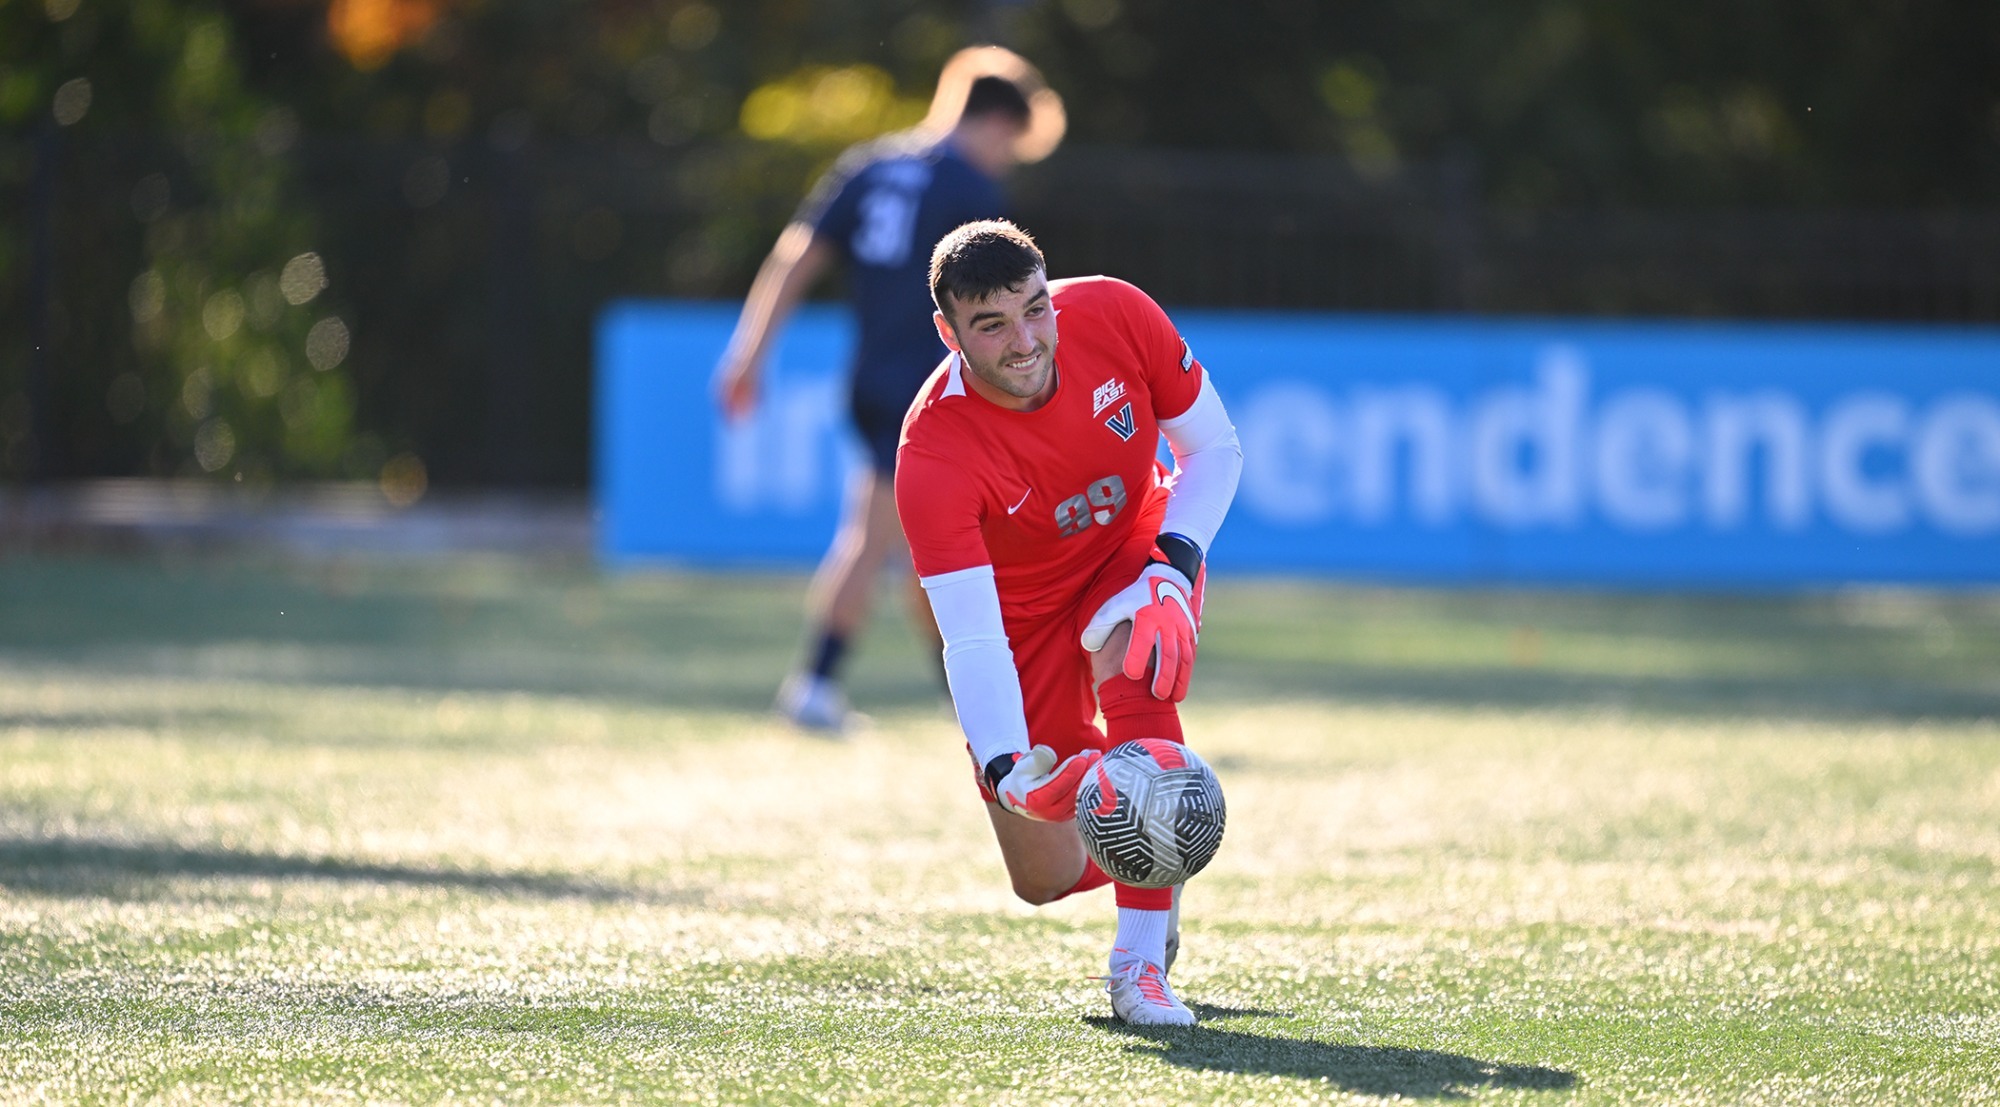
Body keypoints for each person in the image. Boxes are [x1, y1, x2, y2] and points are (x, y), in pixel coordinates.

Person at [894, 220, 1243, 1026]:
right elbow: (970, 634)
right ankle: (1149, 841)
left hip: (1134, 549)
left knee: (1136, 659)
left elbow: (1214, 449)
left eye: (1034, 309)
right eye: (991, 324)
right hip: (1021, 618)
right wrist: (1004, 767)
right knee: (1042, 875)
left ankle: (1138, 966)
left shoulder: (1117, 313)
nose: (1024, 341)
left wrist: (1171, 568)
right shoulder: (934, 452)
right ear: (949, 333)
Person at [713, 48, 1066, 734]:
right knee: (885, 539)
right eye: (1010, 146)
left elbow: (795, 257)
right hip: (928, 391)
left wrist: (748, 353)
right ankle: (816, 684)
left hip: (869, 377)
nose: (1005, 161)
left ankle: (967, 702)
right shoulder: (968, 188)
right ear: (999, 123)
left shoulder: (870, 166)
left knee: (931, 546)